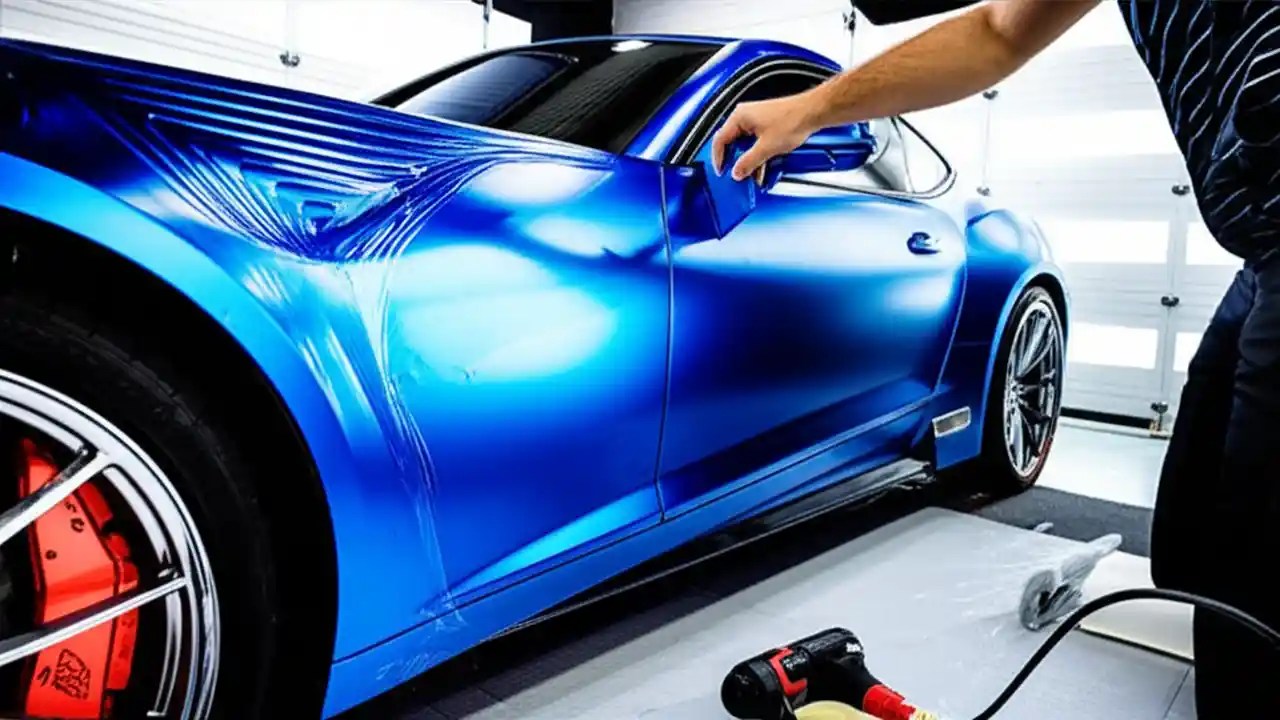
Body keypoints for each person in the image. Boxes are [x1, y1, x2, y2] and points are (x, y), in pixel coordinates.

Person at [712, 0, 1280, 715]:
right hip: (1261, 240)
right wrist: (809, 110)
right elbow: (998, 31)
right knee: (1193, 553)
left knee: (1253, 576)